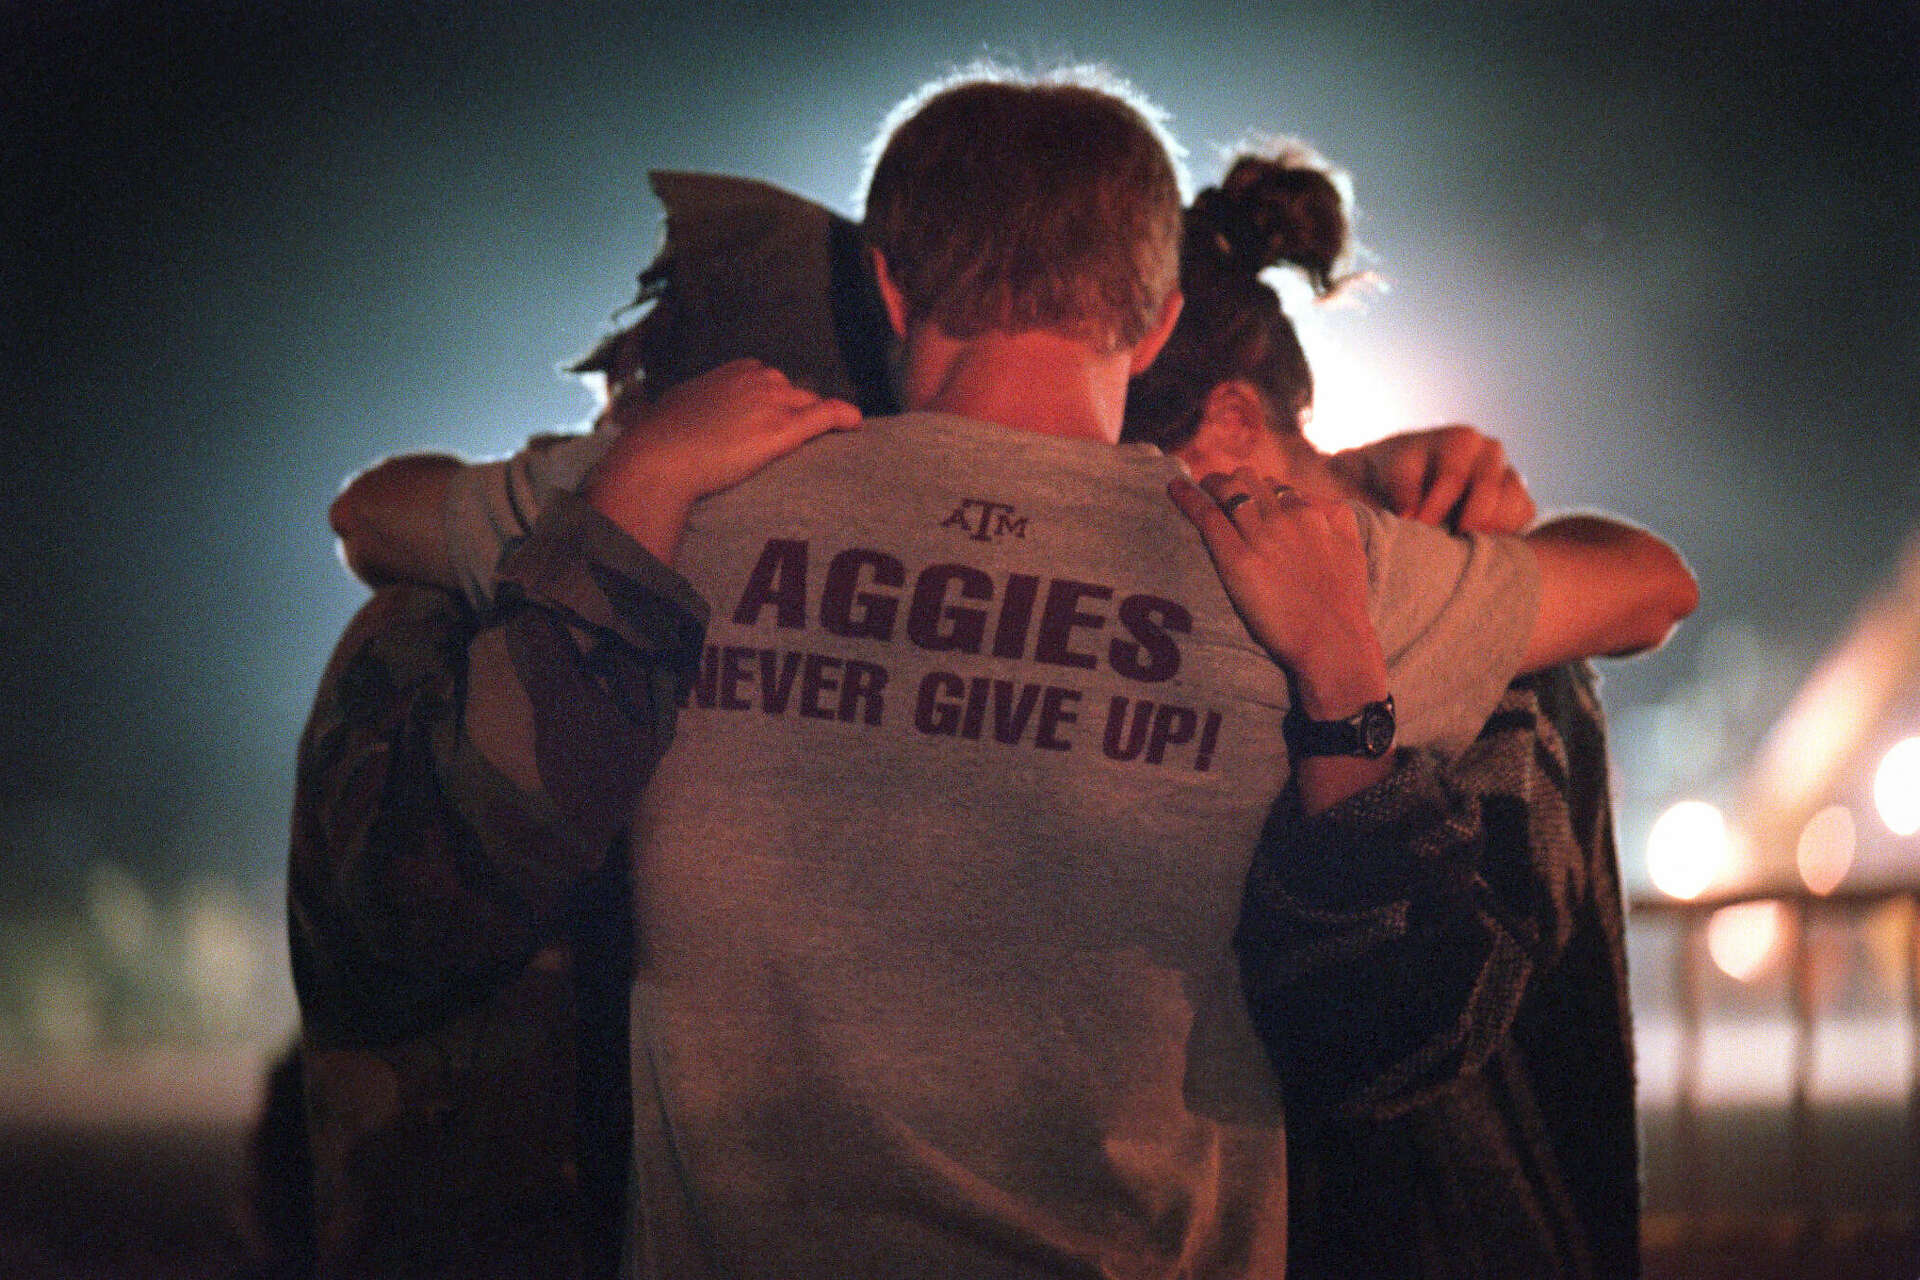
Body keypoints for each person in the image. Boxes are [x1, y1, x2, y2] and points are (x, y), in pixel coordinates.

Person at [316, 68, 1691, 1276]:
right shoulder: (1287, 561)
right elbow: (1646, 587)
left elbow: (375, 513)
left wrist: (635, 469)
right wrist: (1356, 488)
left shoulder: (692, 496)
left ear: (891, 285)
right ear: (1152, 328)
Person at [1128, 147, 1648, 1277]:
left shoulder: (1450, 614)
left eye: (1123, 449)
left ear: (1221, 421)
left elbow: (1429, 1032)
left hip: (1445, 1221)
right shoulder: (1413, 570)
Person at [288, 360, 858, 1278]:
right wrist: (637, 482)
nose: (616, 390)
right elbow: (429, 887)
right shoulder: (448, 616)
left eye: (639, 372)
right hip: (501, 1210)